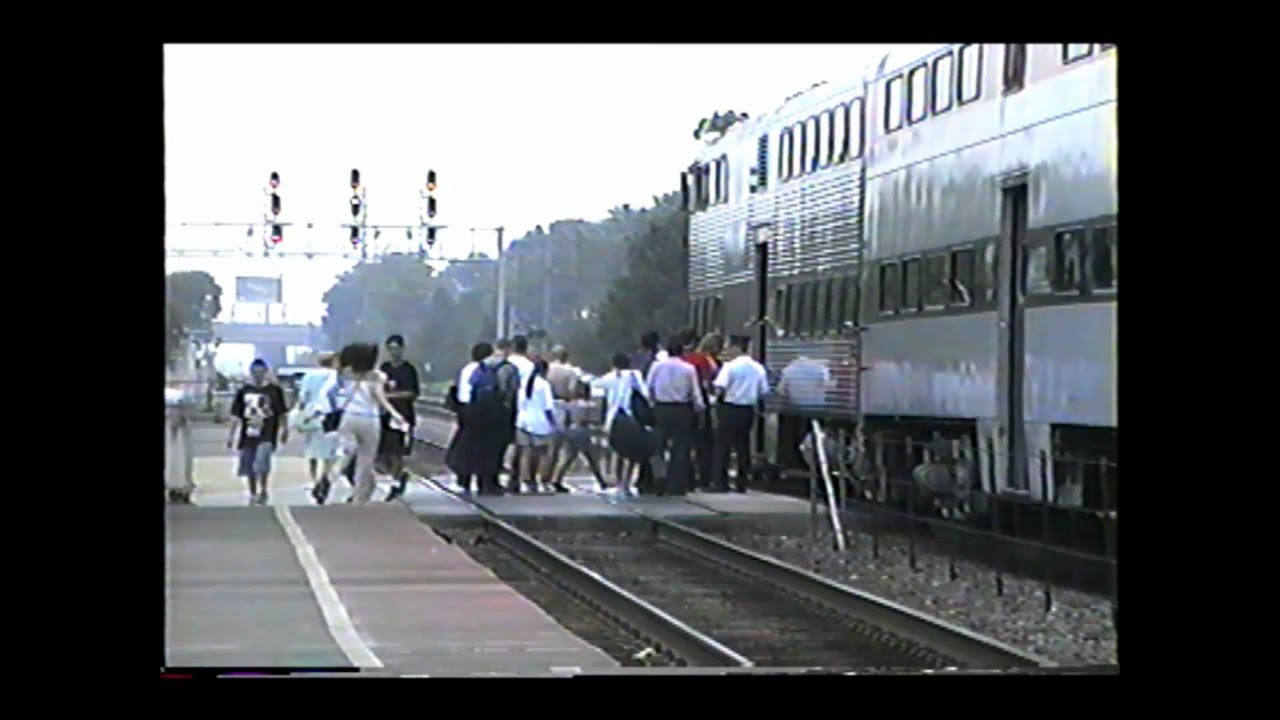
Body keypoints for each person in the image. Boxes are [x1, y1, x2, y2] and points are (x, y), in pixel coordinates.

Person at [332, 343, 409, 505]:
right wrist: (395, 414)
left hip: (349, 417)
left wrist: (343, 356)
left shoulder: (345, 374)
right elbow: (381, 397)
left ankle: (334, 471)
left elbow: (324, 361)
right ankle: (359, 499)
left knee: (347, 449)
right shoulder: (377, 376)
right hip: (370, 420)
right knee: (365, 461)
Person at [645, 337, 705, 496]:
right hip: (681, 410)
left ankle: (658, 479)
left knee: (657, 447)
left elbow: (648, 388)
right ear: (682, 351)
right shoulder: (689, 368)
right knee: (680, 449)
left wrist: (652, 404)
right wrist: (700, 409)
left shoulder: (656, 366)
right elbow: (696, 394)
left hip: (661, 409)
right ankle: (676, 485)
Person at [711, 335, 769, 493]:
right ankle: (742, 483)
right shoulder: (758, 368)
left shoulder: (730, 367)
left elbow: (719, 387)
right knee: (743, 446)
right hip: (747, 410)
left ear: (736, 347)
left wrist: (715, 401)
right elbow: (764, 391)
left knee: (723, 446)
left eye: (730, 346)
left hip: (729, 408)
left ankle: (720, 483)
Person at [227, 359, 289, 506]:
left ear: (265, 373)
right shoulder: (243, 391)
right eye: (255, 373)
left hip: (267, 432)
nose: (258, 376)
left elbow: (281, 412)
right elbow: (236, 415)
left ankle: (264, 489)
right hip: (248, 433)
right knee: (248, 464)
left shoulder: (274, 391)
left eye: (261, 372)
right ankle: (253, 492)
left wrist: (284, 429)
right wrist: (231, 435)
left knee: (261, 462)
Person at [464, 342, 521, 495]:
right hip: (499, 413)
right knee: (497, 448)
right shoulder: (508, 368)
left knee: (482, 447)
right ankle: (492, 481)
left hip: (479, 412)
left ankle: (482, 480)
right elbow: (511, 391)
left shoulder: (482, 366)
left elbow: (471, 384)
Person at [378, 335, 420, 501]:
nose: (393, 352)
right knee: (383, 452)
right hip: (385, 416)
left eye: (397, 348)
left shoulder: (409, 369)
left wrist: (391, 396)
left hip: (403, 416)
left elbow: (412, 392)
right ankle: (397, 476)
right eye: (391, 348)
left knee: (398, 452)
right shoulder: (384, 368)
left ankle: (396, 482)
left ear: (402, 349)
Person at [294, 352, 340, 503]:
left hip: (311, 416)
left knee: (312, 453)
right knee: (329, 454)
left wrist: (299, 416)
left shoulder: (309, 376)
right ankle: (323, 479)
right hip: (331, 416)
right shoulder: (337, 376)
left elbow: (303, 399)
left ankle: (314, 480)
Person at [516, 358, 564, 493]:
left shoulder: (523, 383)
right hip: (540, 422)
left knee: (526, 452)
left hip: (523, 421)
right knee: (543, 453)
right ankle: (541, 480)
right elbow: (548, 407)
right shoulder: (543, 385)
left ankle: (526, 481)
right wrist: (554, 423)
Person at [552, 380, 610, 491]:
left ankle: (557, 479)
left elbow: (566, 420)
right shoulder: (589, 406)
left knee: (569, 457)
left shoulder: (570, 405)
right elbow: (593, 420)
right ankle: (601, 481)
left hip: (571, 431)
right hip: (583, 432)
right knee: (591, 458)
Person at [683, 332, 722, 490]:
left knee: (688, 442)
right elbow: (709, 383)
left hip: (686, 404)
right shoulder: (706, 361)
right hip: (702, 404)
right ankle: (705, 477)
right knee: (705, 443)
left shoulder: (688, 359)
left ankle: (688, 477)